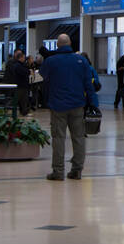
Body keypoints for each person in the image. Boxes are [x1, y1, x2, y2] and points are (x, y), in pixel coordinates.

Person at [39, 34, 96, 180]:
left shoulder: (51, 61)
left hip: (58, 105)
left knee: (58, 138)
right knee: (78, 137)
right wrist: (93, 104)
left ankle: (58, 171)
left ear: (57, 45)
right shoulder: (82, 60)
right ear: (70, 44)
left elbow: (43, 75)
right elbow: (89, 84)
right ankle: (77, 169)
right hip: (77, 104)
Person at [6, 49, 31, 115]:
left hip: (19, 85)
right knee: (20, 99)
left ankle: (23, 111)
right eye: (24, 58)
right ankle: (8, 109)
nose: (24, 59)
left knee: (21, 100)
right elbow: (26, 72)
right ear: (21, 58)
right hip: (21, 85)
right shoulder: (18, 66)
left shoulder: (16, 65)